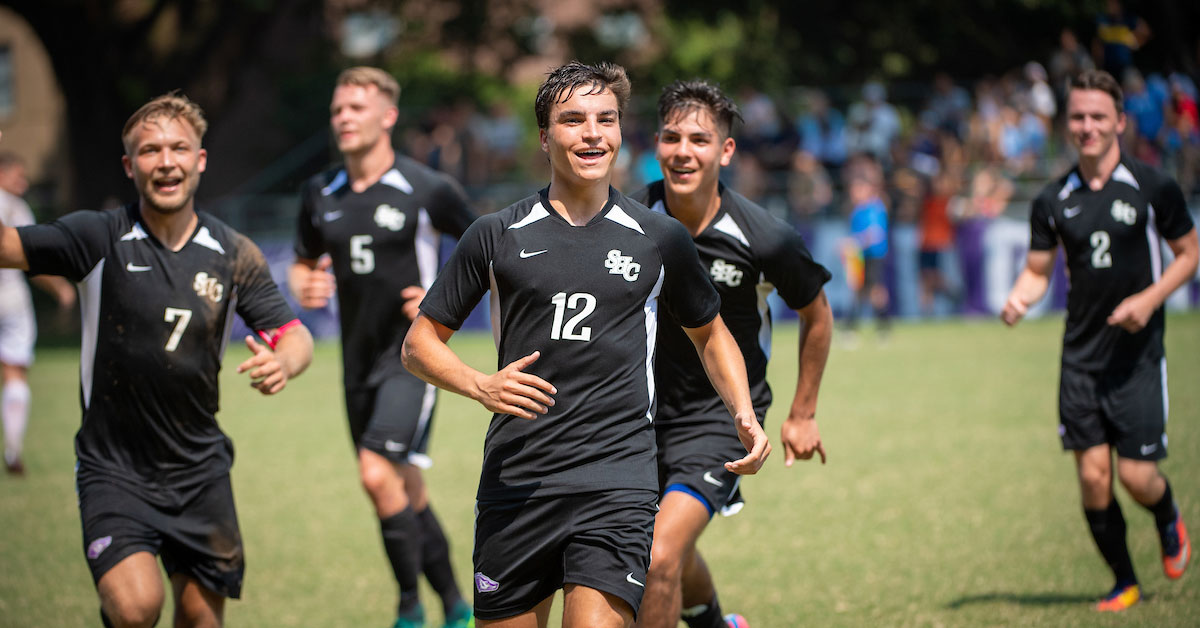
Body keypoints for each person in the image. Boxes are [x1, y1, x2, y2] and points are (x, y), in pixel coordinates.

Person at [401, 61, 770, 628]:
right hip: (517, 481)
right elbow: (419, 344)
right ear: (545, 138)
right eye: (573, 120)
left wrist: (742, 410)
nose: (592, 134)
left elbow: (711, 333)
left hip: (616, 482)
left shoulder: (659, 237)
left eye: (606, 119)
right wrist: (480, 385)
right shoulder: (496, 234)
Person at [0, 93, 314, 627]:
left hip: (199, 470)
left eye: (178, 148)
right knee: (135, 607)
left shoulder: (233, 252)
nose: (165, 161)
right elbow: (7, 247)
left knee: (199, 619)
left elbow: (294, 335)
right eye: (149, 151)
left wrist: (283, 362)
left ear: (200, 159)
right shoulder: (97, 236)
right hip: (113, 468)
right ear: (130, 166)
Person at [628, 80, 833, 628]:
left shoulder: (764, 237)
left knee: (657, 557)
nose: (683, 152)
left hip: (720, 419)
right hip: (634, 416)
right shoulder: (624, 222)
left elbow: (817, 314)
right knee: (662, 546)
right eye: (671, 137)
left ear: (726, 150)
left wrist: (802, 413)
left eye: (699, 139)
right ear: (656, 144)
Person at [1002, 69, 1197, 612]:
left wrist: (1149, 300)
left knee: (1137, 477)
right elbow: (1037, 270)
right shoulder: (1052, 198)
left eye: (1098, 117)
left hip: (1137, 359)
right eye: (1078, 117)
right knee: (1092, 478)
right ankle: (1124, 581)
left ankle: (1167, 515)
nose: (1087, 127)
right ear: (1067, 124)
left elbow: (1189, 255)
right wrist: (1020, 297)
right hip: (1080, 359)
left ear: (1120, 122)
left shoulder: (1153, 186)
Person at [289, 66, 476, 628]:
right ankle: (456, 606)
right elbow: (301, 263)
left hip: (411, 359)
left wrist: (443, 297)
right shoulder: (319, 192)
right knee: (403, 487)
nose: (343, 118)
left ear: (388, 116)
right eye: (337, 110)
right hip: (354, 362)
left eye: (356, 108)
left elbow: (487, 251)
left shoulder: (427, 188)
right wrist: (303, 283)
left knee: (376, 474)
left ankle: (408, 608)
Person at [0, 152, 74, 475]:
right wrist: (60, 287)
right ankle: (13, 449)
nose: (24, 182)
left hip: (11, 296)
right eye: (17, 175)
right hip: (11, 297)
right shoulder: (16, 208)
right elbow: (30, 258)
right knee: (15, 372)